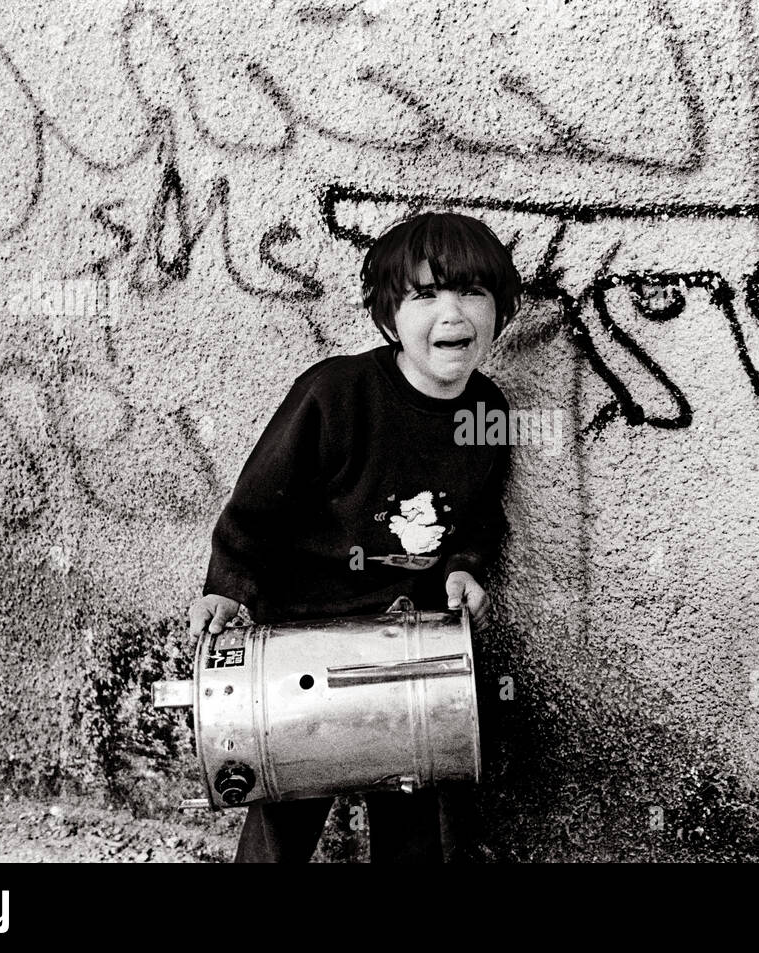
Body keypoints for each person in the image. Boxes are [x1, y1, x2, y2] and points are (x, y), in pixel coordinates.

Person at [187, 211, 521, 863]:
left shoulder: (487, 411)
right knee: (284, 813)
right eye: (425, 295)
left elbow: (481, 515)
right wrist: (228, 588)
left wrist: (463, 568)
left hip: (405, 656)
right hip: (300, 647)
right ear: (388, 314)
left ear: (499, 310)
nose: (451, 313)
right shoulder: (335, 394)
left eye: (472, 292)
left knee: (413, 815)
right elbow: (259, 505)